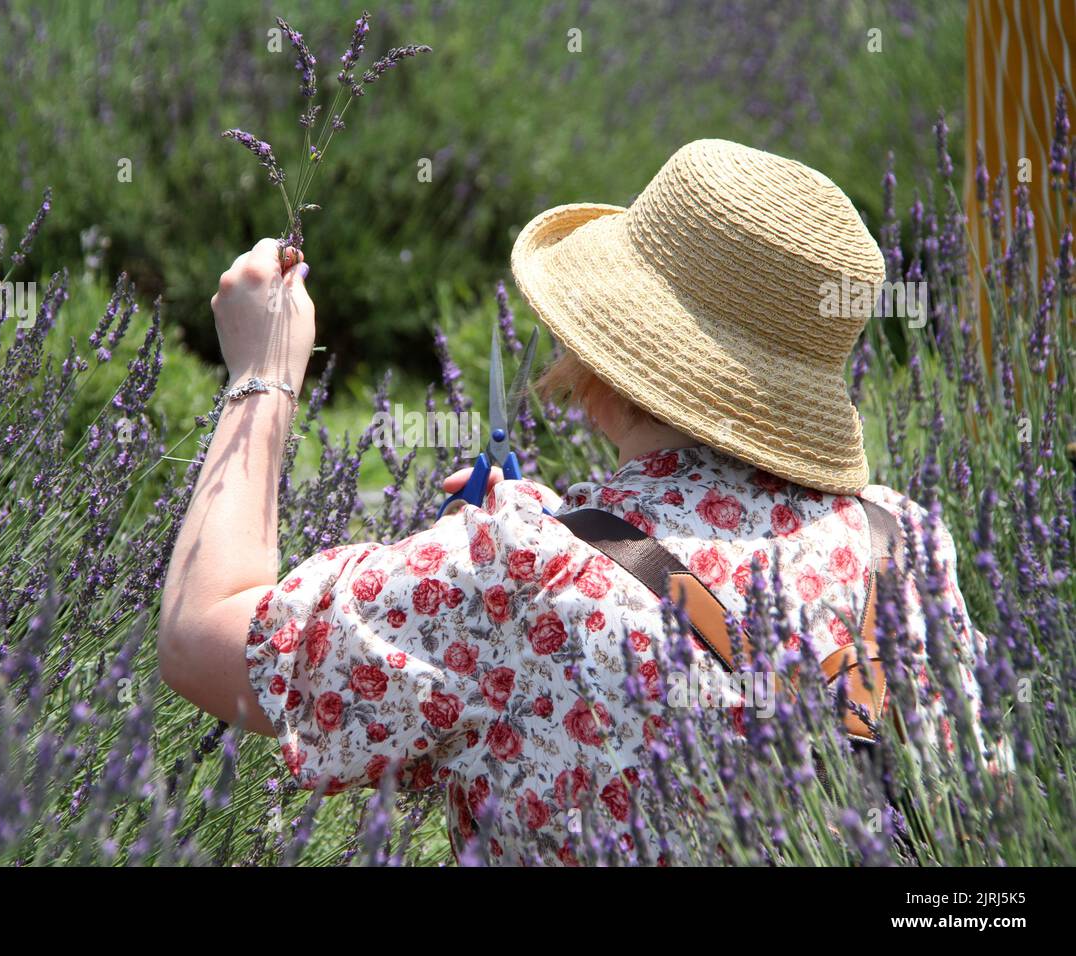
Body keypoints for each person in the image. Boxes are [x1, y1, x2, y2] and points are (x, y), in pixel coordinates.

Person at [158, 139, 985, 865]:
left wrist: (261, 374)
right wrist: (577, 535)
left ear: (604, 359)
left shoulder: (520, 571)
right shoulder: (902, 539)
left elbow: (204, 638)